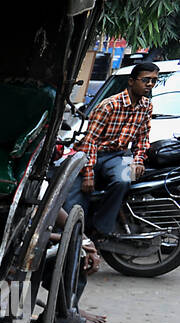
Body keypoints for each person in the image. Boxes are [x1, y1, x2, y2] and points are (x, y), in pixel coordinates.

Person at [63, 61, 159, 239]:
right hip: (91, 154)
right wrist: (88, 173)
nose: (150, 85)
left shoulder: (147, 106)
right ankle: (72, 236)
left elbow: (142, 139)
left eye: (154, 81)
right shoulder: (109, 105)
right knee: (77, 194)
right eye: (146, 80)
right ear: (131, 82)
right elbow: (90, 141)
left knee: (124, 181)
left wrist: (138, 160)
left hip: (119, 155)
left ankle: (100, 229)